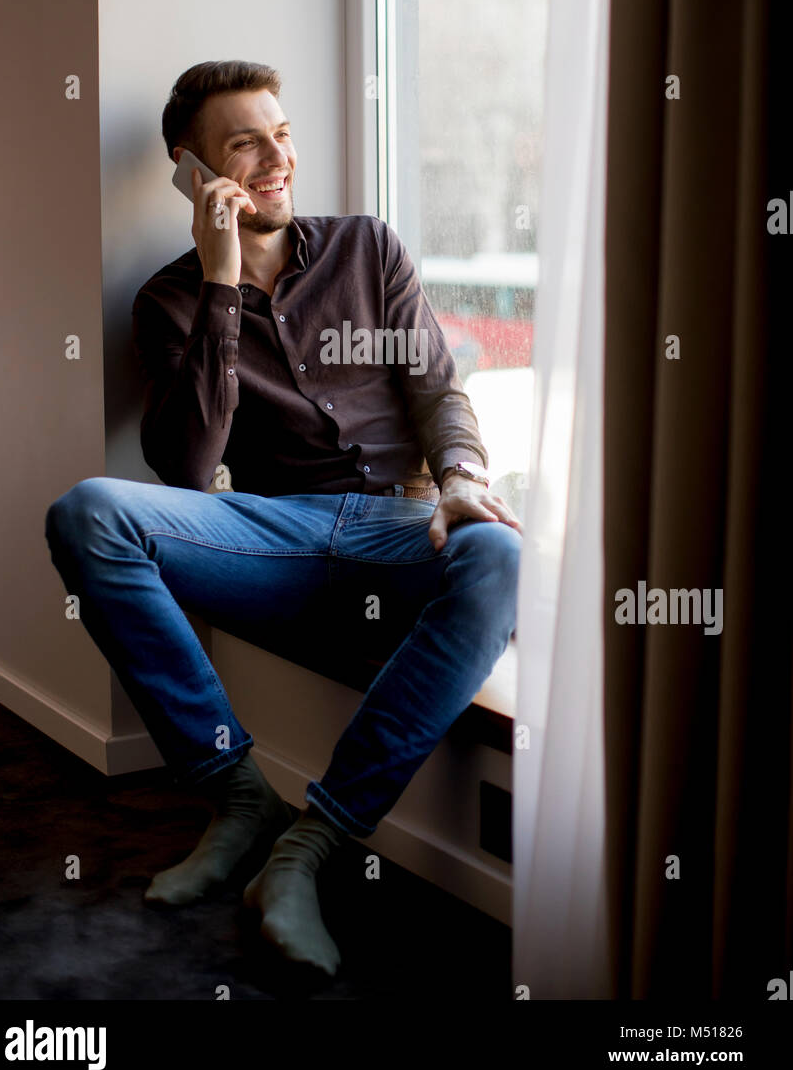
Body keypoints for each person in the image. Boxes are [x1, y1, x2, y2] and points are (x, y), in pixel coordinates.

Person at [45, 59, 522, 979]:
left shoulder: (368, 249)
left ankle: (310, 848)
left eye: (283, 132)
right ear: (195, 170)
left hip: (400, 529)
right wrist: (222, 282)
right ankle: (238, 798)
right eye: (245, 143)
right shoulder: (170, 300)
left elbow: (438, 392)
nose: (276, 157)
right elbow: (183, 470)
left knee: (501, 554)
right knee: (88, 512)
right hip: (276, 537)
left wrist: (460, 474)